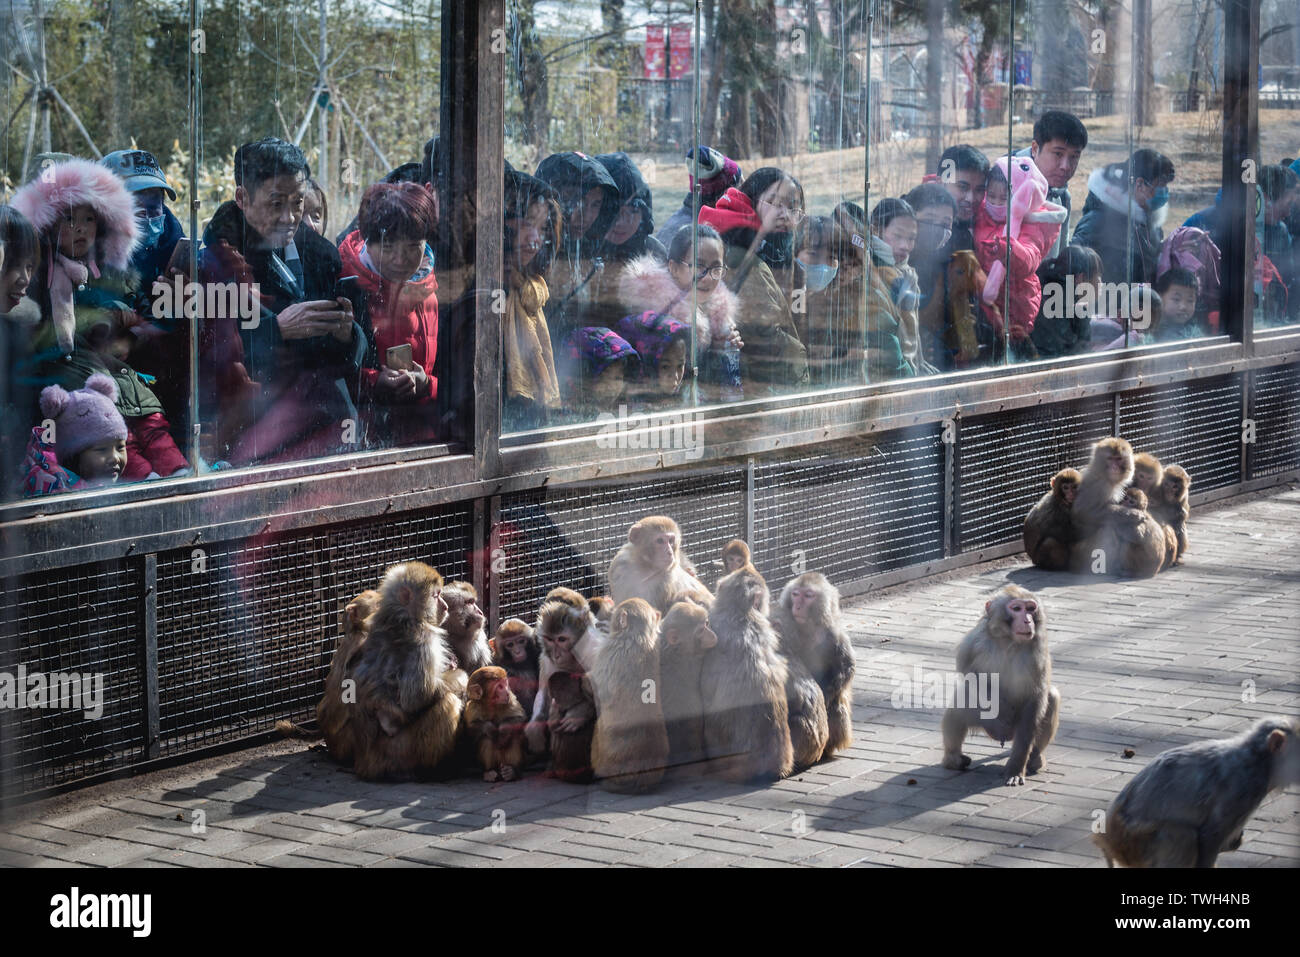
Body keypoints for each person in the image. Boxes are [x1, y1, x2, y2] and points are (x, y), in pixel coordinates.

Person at [11, 157, 190, 482]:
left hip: (124, 379)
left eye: (88, 219)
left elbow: (150, 326)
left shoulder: (117, 270)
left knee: (151, 423)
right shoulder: (41, 276)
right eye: (68, 219)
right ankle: (146, 479)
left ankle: (179, 471)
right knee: (113, 434)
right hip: (81, 387)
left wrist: (152, 318)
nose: (80, 229)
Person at [198, 137, 360, 466]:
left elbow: (346, 359)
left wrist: (347, 334)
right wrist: (278, 330)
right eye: (275, 204)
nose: (289, 217)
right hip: (250, 431)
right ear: (242, 198)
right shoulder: (215, 264)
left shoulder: (321, 254)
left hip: (323, 425)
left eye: (297, 203)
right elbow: (206, 361)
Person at [338, 182, 440, 448]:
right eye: (388, 247)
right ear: (367, 239)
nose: (400, 259)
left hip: (418, 438)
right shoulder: (344, 283)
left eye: (412, 246)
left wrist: (428, 385)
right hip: (358, 443)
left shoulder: (428, 288)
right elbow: (323, 374)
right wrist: (372, 383)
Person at [698, 167, 810, 394]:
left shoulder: (781, 257)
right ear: (752, 199)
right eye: (775, 203)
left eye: (793, 207)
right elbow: (764, 337)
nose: (785, 214)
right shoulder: (739, 252)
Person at [619, 222, 743, 403]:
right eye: (699, 266)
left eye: (716, 268)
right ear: (674, 267)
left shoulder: (718, 314)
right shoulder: (654, 319)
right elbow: (668, 386)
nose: (708, 277)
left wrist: (723, 350)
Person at [973, 155, 1067, 360]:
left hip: (1015, 308)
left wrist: (1009, 250)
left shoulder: (1036, 224)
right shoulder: (982, 211)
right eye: (992, 196)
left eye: (1004, 198)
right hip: (985, 307)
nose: (996, 203)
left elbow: (1030, 259)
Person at [499, 167, 563, 430]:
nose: (535, 239)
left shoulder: (533, 290)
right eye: (527, 223)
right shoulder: (492, 289)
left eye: (543, 228)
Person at [534, 151, 621, 343]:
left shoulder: (593, 251)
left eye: (595, 204)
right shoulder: (529, 253)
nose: (586, 216)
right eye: (577, 202)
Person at [1072, 148, 1175, 286]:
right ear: (1139, 184)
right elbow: (1076, 270)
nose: (1164, 193)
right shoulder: (1098, 223)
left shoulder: (1148, 222)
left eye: (1166, 187)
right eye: (1160, 186)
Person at [100, 149, 185, 314]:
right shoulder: (84, 254)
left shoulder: (174, 244)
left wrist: (188, 303)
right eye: (135, 209)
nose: (145, 217)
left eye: (153, 208)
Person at [22, 372, 128, 496]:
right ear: (72, 456)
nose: (115, 457)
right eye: (102, 449)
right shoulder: (55, 489)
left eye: (120, 447)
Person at [1014, 110, 1088, 263]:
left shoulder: (1062, 195)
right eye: (1058, 154)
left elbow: (1060, 257)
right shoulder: (1007, 183)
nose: (1065, 166)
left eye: (1074, 157)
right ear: (1035, 148)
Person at [903, 183, 958, 370]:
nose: (936, 229)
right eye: (929, 219)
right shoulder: (897, 262)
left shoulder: (947, 264)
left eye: (945, 224)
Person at [864, 198, 916, 381]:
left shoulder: (906, 272)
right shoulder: (868, 271)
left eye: (911, 239)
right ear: (875, 229)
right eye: (898, 236)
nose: (906, 246)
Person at [654, 146, 743, 248]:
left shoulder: (682, 220)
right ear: (722, 196)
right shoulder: (698, 235)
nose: (743, 195)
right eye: (738, 187)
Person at [1031, 245, 1102, 358]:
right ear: (1080, 278)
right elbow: (1082, 357)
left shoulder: (1046, 293)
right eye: (1098, 276)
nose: (1101, 282)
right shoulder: (1072, 309)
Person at [926, 144, 989, 252]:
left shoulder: (989, 220)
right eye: (963, 187)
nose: (971, 199)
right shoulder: (919, 223)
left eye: (979, 190)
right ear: (940, 184)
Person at [1153, 267, 1204, 341]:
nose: (1183, 307)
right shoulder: (1150, 330)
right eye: (1176, 299)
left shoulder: (1193, 332)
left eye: (1190, 300)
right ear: (1160, 297)